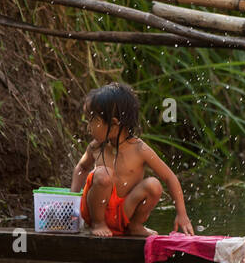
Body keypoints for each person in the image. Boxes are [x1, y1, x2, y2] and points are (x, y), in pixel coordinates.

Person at [72, 82, 193, 237]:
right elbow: (82, 168)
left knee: (154, 185)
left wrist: (182, 214)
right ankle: (98, 223)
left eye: (92, 120)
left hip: (124, 213)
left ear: (114, 123)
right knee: (103, 174)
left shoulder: (140, 149)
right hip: (96, 213)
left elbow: (169, 177)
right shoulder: (96, 147)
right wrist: (72, 199)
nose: (88, 127)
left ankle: (134, 226)